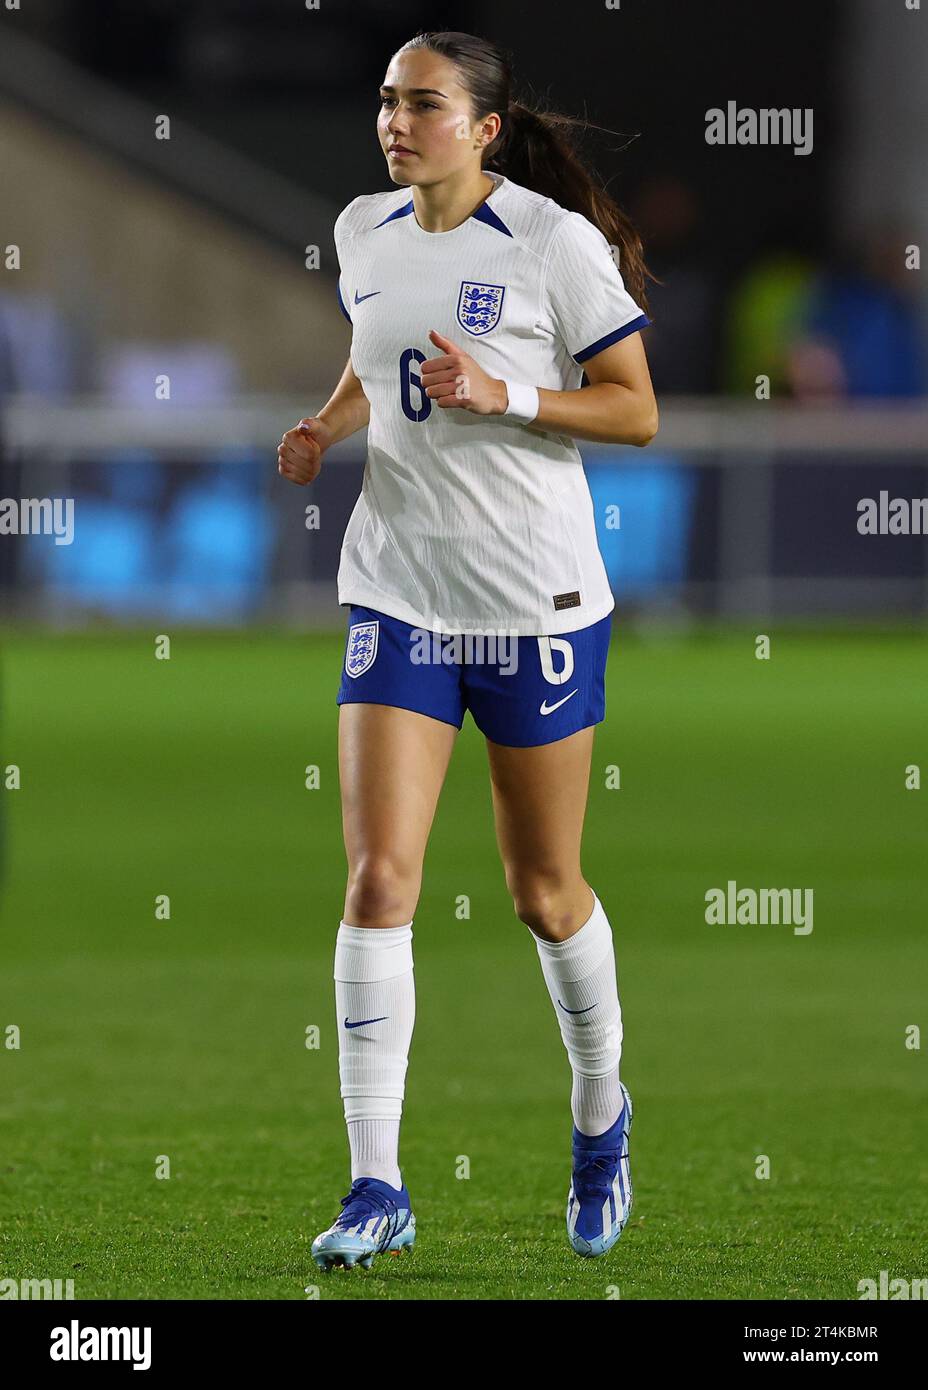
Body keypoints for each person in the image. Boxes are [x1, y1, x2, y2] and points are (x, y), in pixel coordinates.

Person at [277, 30, 658, 1269]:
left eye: (423, 102)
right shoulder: (362, 228)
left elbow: (636, 409)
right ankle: (374, 1182)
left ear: (484, 127)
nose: (396, 120)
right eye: (387, 99)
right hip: (399, 591)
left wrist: (513, 397)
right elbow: (371, 361)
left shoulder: (555, 245)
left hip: (535, 602)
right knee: (379, 878)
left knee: (543, 895)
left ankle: (600, 1113)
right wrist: (329, 425)